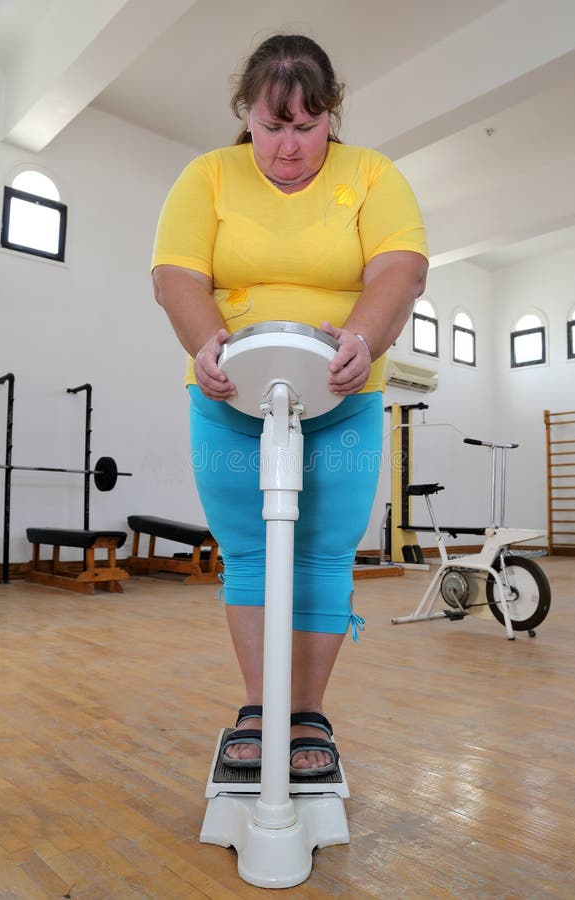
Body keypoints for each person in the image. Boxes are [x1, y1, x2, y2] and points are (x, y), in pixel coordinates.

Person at [152, 33, 428, 776]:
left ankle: (306, 715)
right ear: (248, 114)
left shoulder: (372, 175)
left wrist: (366, 340)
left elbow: (400, 272)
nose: (287, 148)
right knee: (248, 551)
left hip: (342, 393)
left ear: (331, 116)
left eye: (306, 128)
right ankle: (259, 706)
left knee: (324, 553)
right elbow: (177, 277)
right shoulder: (207, 176)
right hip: (228, 394)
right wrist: (209, 341)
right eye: (273, 127)